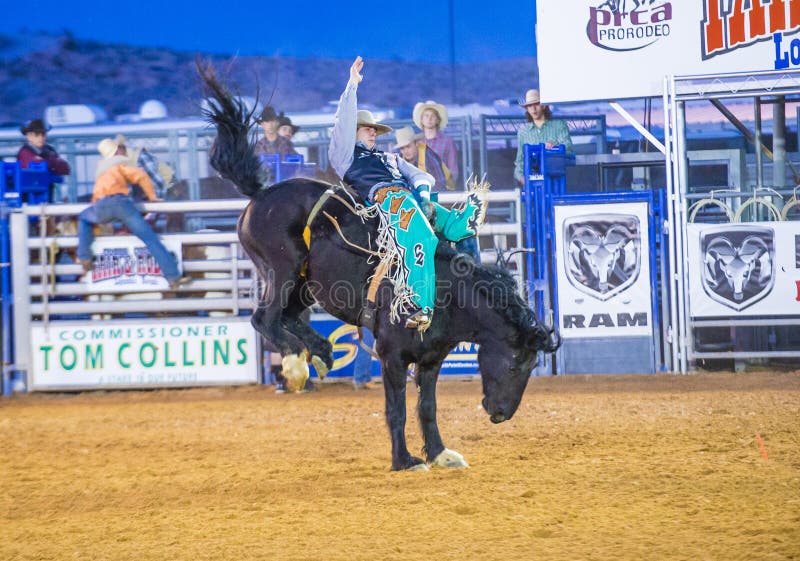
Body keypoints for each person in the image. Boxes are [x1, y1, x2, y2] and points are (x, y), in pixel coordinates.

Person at [329, 56, 486, 330]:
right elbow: (343, 120)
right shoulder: (344, 155)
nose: (373, 133)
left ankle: (459, 226)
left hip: (409, 198)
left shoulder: (388, 158)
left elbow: (420, 176)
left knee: (439, 216)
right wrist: (352, 84)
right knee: (421, 237)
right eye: (367, 129)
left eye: (374, 130)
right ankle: (419, 304)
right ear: (353, 132)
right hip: (387, 201)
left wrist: (424, 197)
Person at [76, 138, 190, 289]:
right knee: (150, 240)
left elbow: (96, 195)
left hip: (101, 206)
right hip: (122, 205)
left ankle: (84, 257)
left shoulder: (101, 168)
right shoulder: (120, 163)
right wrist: (152, 197)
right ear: (116, 150)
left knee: (84, 217)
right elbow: (141, 176)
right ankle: (173, 277)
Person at [514, 89, 574, 185]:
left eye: (536, 104)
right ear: (527, 109)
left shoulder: (559, 125)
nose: (533, 109)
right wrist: (523, 179)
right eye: (529, 106)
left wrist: (554, 147)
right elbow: (519, 162)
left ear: (544, 106)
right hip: (533, 182)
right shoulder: (523, 133)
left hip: (556, 181)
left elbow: (568, 147)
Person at [16, 118, 71, 201]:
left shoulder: (49, 149)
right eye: (37, 134)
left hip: (47, 191)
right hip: (29, 195)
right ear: (28, 136)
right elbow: (35, 166)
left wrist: (48, 161)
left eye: (43, 134)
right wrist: (53, 162)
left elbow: (65, 168)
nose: (41, 137)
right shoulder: (25, 152)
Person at [412, 100, 458, 187]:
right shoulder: (416, 142)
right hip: (420, 186)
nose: (429, 119)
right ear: (422, 120)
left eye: (433, 116)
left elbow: (453, 168)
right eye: (426, 116)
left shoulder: (447, 141)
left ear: (437, 120)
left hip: (441, 186)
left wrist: (449, 186)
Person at [113, 134, 174, 199]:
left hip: (169, 190)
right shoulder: (123, 165)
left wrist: (153, 201)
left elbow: (159, 184)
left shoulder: (141, 158)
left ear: (123, 149)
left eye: (115, 151)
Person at [393, 126, 452, 193]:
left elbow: (440, 185)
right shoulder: (397, 160)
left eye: (408, 147)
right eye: (402, 148)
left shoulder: (429, 157)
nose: (405, 151)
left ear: (416, 143)